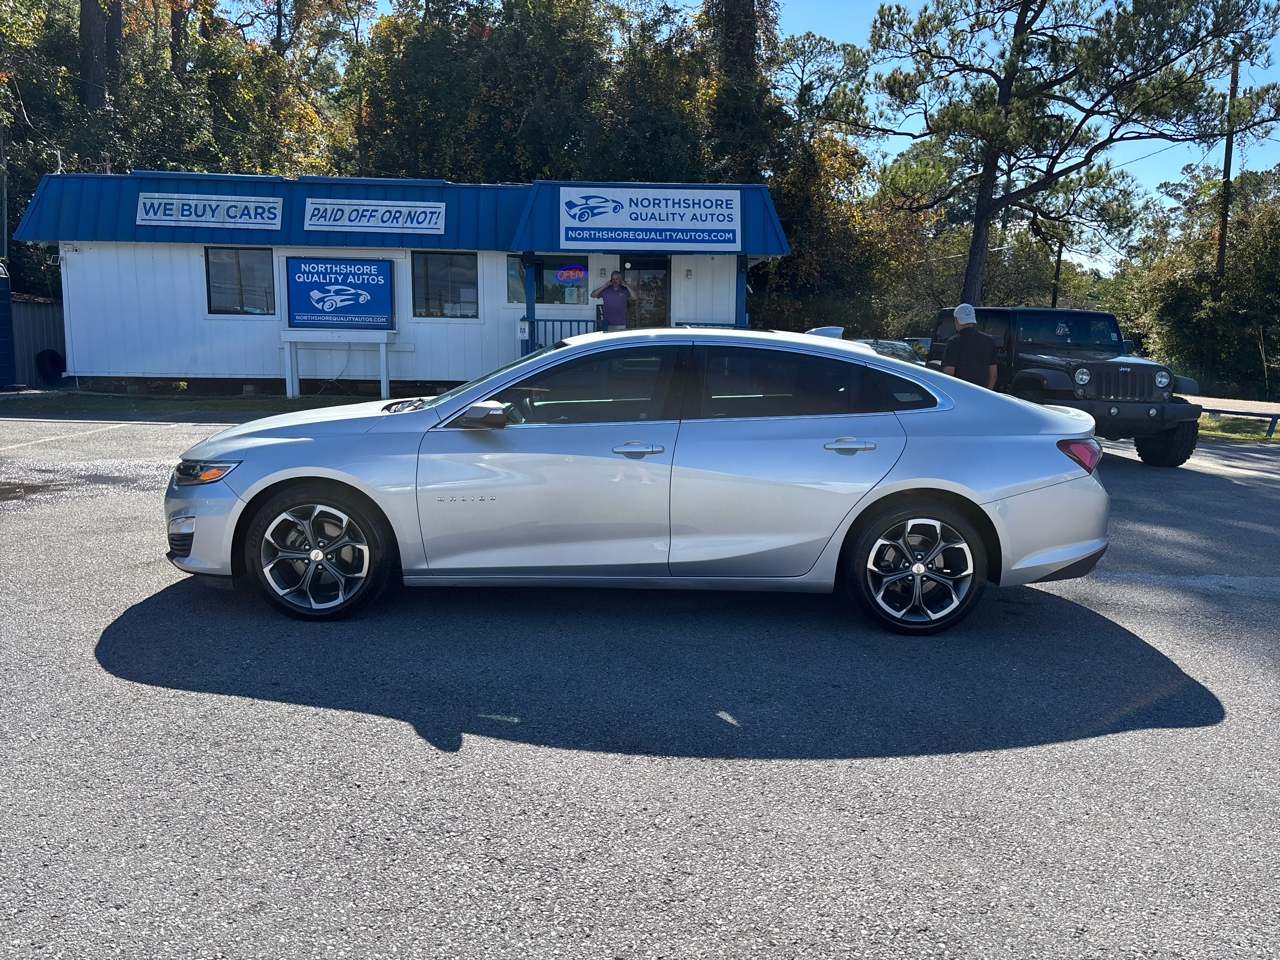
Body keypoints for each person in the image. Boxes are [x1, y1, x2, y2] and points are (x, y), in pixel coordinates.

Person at [942, 303, 998, 389]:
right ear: (974, 318)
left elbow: (948, 374)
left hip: (960, 393)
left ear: (956, 320)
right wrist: (988, 393)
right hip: (981, 393)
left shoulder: (953, 342)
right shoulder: (989, 340)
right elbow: (993, 374)